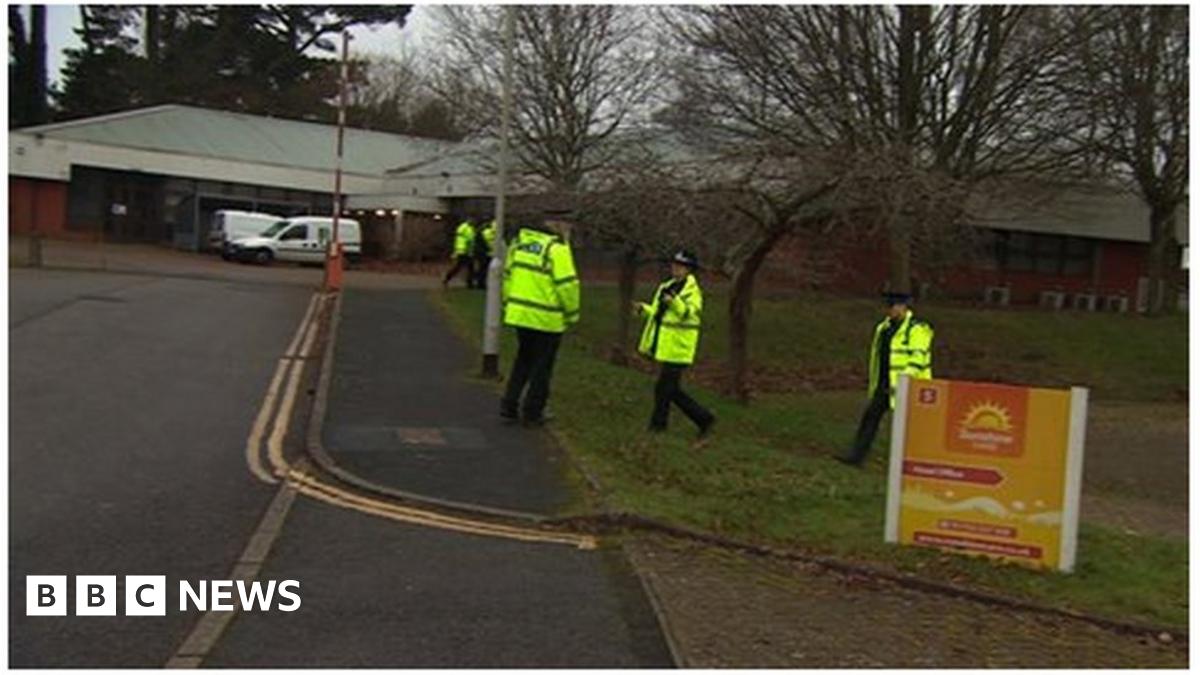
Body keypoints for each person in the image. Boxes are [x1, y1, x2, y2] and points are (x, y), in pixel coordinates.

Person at [499, 216, 580, 426]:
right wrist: (572, 314)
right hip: (547, 318)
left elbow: (508, 277)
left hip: (520, 314)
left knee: (523, 360)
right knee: (542, 367)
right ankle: (533, 412)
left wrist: (509, 303)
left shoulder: (519, 245)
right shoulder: (557, 249)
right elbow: (567, 285)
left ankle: (509, 404)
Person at [837, 291, 934, 466]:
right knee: (870, 418)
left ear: (903, 307)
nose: (889, 311)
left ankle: (917, 463)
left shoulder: (917, 329)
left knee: (911, 428)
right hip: (884, 384)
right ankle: (856, 456)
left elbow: (918, 358)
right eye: (888, 307)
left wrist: (905, 380)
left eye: (893, 306)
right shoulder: (884, 328)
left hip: (909, 386)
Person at [635, 250, 715, 437]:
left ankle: (663, 425)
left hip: (679, 348)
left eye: (680, 266)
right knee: (669, 389)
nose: (675, 269)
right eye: (674, 265)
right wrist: (643, 309)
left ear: (689, 270)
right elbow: (658, 313)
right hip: (665, 345)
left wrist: (674, 302)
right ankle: (699, 419)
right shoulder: (666, 286)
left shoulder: (692, 292)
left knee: (666, 389)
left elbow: (689, 313)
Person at [442, 218, 477, 288]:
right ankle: (469, 283)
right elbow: (469, 241)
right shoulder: (469, 229)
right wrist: (470, 251)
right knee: (470, 268)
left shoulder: (461, 227)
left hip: (460, 250)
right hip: (466, 251)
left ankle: (447, 277)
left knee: (459, 267)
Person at [471, 219, 496, 289]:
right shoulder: (487, 233)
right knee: (483, 269)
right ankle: (480, 282)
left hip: (482, 253)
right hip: (484, 253)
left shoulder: (482, 232)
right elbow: (488, 243)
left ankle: (479, 281)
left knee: (482, 268)